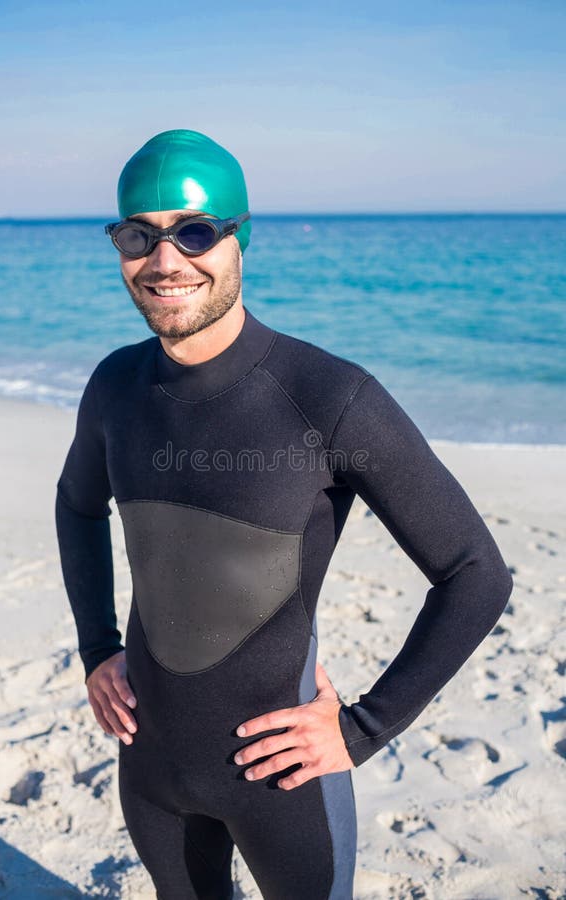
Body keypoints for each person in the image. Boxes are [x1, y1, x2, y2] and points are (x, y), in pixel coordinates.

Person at [55, 129, 514, 900]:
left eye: (194, 233)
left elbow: (475, 574)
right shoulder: (114, 389)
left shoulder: (330, 397)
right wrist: (97, 647)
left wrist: (364, 728)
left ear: (241, 240)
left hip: (285, 786)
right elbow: (76, 506)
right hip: (151, 770)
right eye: (139, 236)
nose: (166, 262)